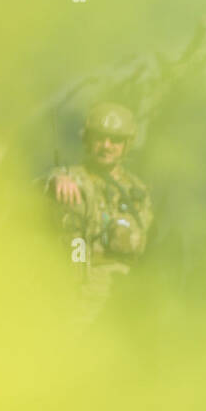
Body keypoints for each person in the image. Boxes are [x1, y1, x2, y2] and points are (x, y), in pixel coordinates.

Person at [45, 102, 153, 321]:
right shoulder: (72, 179)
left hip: (122, 302)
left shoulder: (137, 190)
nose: (106, 145)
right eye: (99, 138)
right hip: (78, 300)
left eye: (115, 140)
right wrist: (56, 178)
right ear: (87, 141)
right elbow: (38, 191)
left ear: (126, 145)